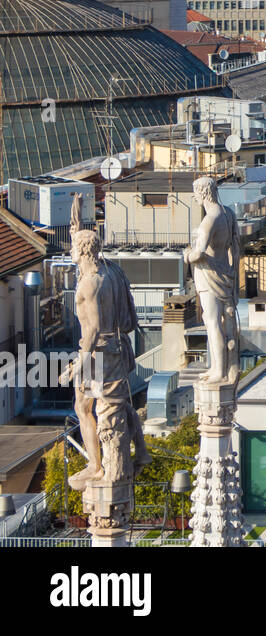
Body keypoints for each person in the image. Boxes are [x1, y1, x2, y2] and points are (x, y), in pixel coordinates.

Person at [63, 193, 150, 489]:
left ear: (83, 252)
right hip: (119, 347)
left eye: (74, 247)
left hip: (100, 355)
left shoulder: (89, 285)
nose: (70, 250)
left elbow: (93, 330)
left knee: (85, 408)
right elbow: (82, 239)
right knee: (120, 403)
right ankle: (143, 453)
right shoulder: (109, 270)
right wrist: (77, 218)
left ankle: (96, 465)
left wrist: (78, 364)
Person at [184, 176, 240, 384]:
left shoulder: (210, 220)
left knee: (212, 322)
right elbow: (235, 249)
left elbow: (198, 253)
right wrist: (231, 271)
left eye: (195, 192)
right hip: (225, 272)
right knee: (223, 322)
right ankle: (220, 367)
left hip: (209, 275)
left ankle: (219, 370)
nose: (195, 196)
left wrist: (187, 255)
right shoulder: (228, 214)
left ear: (203, 192)